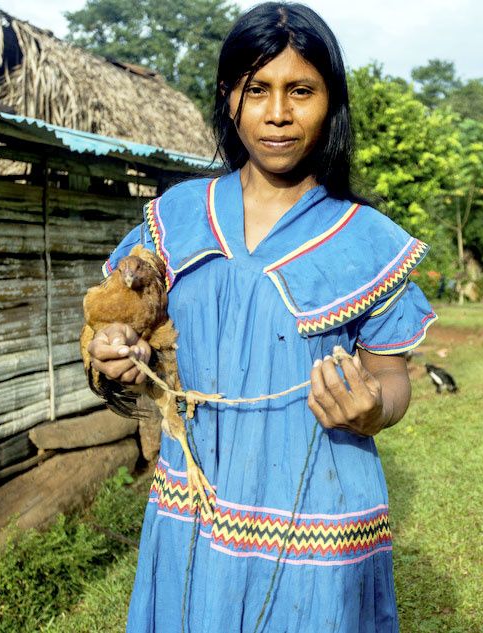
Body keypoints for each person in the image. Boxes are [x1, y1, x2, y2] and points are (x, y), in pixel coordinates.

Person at [86, 3, 436, 631]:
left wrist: (373, 409)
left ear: (331, 103)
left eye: (301, 91)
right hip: (194, 505)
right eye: (257, 90)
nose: (278, 113)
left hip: (318, 514)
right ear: (229, 100)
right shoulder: (177, 218)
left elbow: (392, 376)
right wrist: (113, 353)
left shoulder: (366, 241)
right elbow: (115, 322)